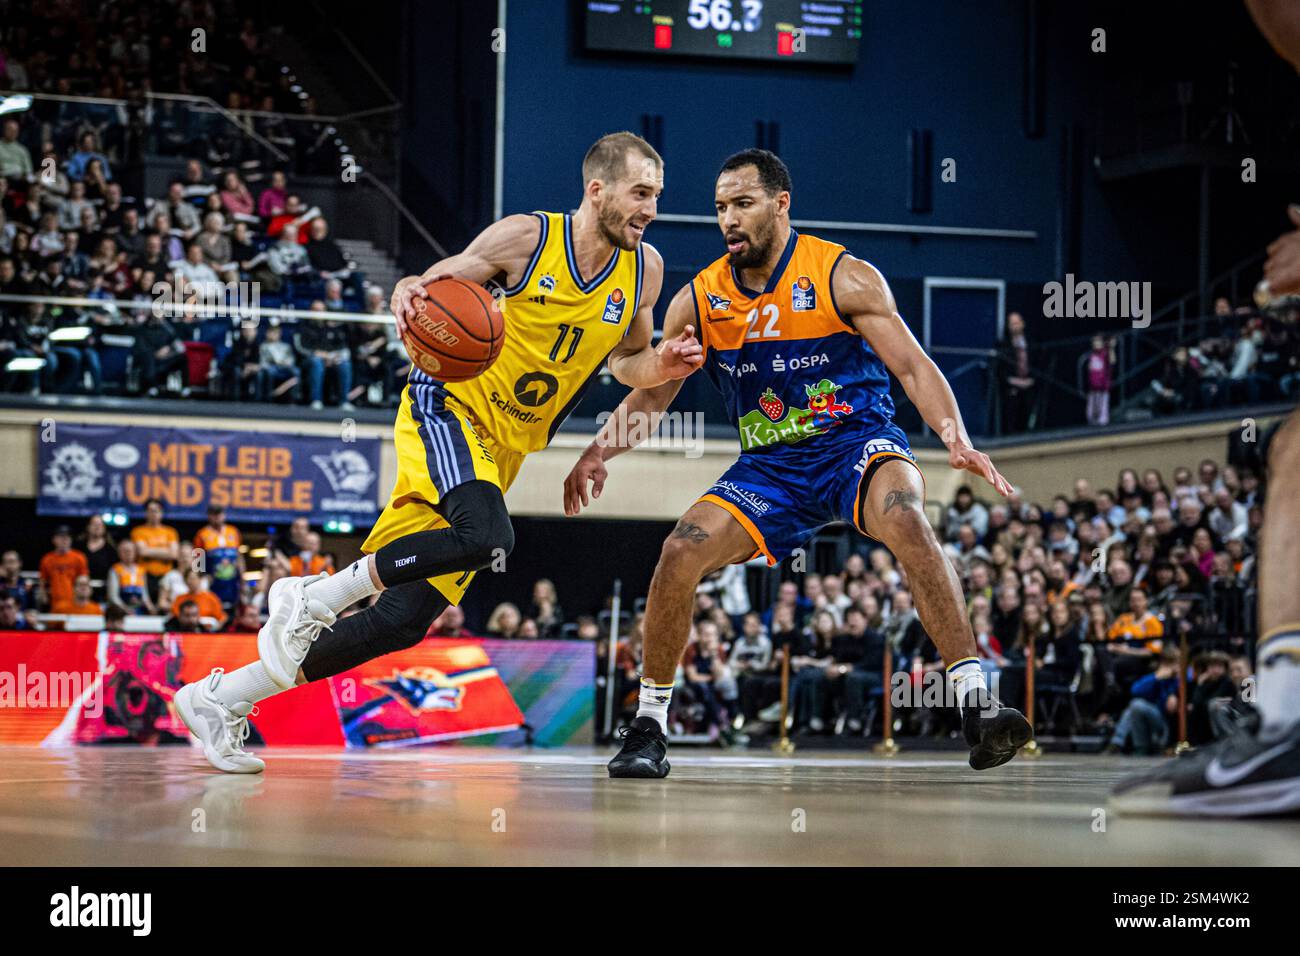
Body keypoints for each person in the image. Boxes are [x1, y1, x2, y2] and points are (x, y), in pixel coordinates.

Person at [171, 131, 701, 773]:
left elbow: (625, 364)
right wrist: (409, 289)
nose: (651, 208)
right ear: (598, 189)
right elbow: (435, 286)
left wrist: (662, 363)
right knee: (488, 535)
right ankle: (314, 597)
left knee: (401, 620)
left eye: (657, 196)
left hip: (504, 449)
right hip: (447, 406)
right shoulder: (527, 239)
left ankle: (219, 699)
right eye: (641, 192)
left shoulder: (643, 269)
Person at [571, 149, 1029, 778]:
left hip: (855, 445)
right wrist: (597, 451)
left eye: (743, 204)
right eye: (720, 208)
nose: (728, 219)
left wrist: (954, 436)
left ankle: (977, 703)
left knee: (906, 516)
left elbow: (913, 366)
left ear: (781, 204)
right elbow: (651, 391)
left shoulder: (844, 275)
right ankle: (648, 726)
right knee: (678, 552)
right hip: (770, 469)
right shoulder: (701, 298)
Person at [194, 505, 244, 609]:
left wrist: (242, 577)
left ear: (224, 515)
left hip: (232, 582)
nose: (217, 517)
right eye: (214, 514)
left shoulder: (233, 531)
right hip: (212, 582)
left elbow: (239, 556)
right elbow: (197, 560)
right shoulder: (202, 534)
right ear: (209, 516)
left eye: (219, 514)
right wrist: (201, 578)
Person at [130, 499, 180, 602]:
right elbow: (142, 552)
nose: (153, 514)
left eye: (156, 510)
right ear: (146, 513)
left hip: (167, 576)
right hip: (145, 576)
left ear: (161, 513)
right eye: (150, 510)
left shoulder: (170, 532)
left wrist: (149, 551)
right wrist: (166, 551)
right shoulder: (138, 531)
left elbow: (174, 554)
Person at [39, 525, 88, 613]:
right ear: (54, 539)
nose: (64, 540)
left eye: (67, 537)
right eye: (61, 537)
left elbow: (84, 581)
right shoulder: (47, 559)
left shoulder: (79, 557)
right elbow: (43, 581)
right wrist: (43, 596)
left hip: (74, 602)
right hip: (54, 602)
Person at [106, 539, 155, 615]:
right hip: (120, 610)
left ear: (135, 552)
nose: (128, 553)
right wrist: (125, 609)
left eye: (131, 550)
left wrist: (150, 608)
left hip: (138, 609)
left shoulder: (141, 570)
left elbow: (145, 595)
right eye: (125, 551)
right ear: (119, 553)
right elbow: (113, 596)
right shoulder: (115, 570)